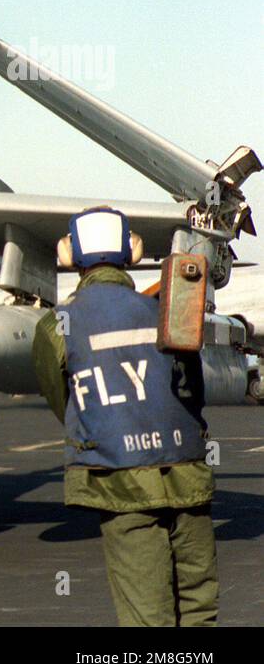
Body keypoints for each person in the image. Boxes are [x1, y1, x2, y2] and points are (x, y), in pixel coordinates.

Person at [32, 206, 217, 626]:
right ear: (132, 251)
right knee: (199, 606)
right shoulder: (168, 310)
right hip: (187, 473)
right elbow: (193, 390)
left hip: (121, 479)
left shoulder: (58, 324)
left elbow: (63, 399)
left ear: (68, 254)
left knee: (146, 614)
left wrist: (105, 429)